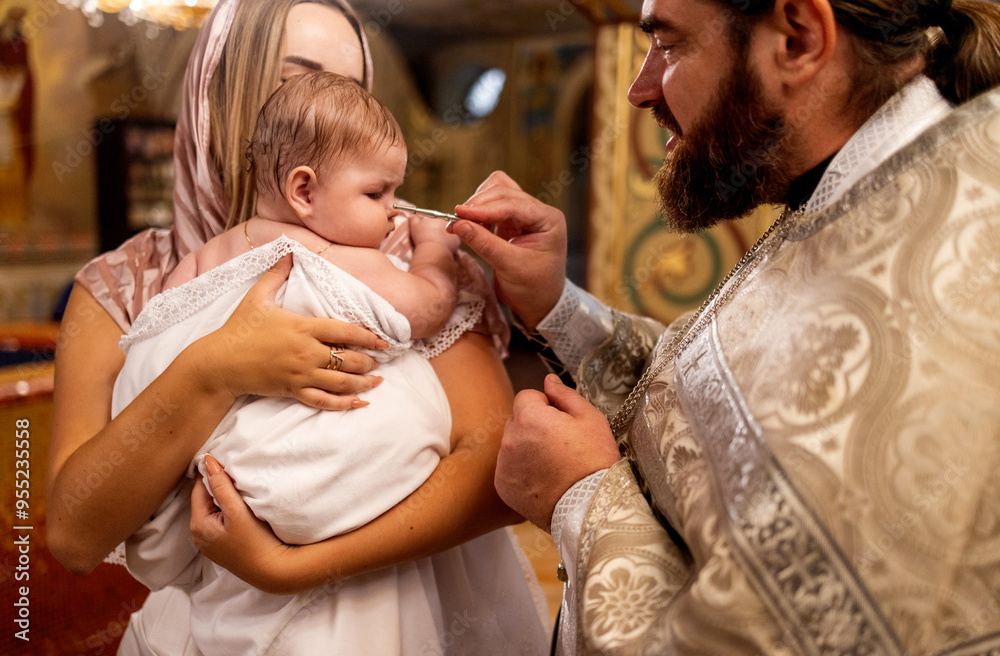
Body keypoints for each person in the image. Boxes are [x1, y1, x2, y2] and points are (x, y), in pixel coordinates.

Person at [439, 0, 1000, 654]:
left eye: (670, 46)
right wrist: (557, 305)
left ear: (797, 38)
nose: (640, 88)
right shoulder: (871, 174)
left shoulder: (936, 321)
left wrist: (583, 500)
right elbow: (714, 398)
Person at [47, 0, 547, 654]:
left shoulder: (410, 269)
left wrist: (293, 568)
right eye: (293, 79)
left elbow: (493, 473)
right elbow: (75, 536)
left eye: (349, 92)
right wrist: (212, 369)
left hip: (396, 619)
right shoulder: (128, 282)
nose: (322, 108)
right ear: (215, 90)